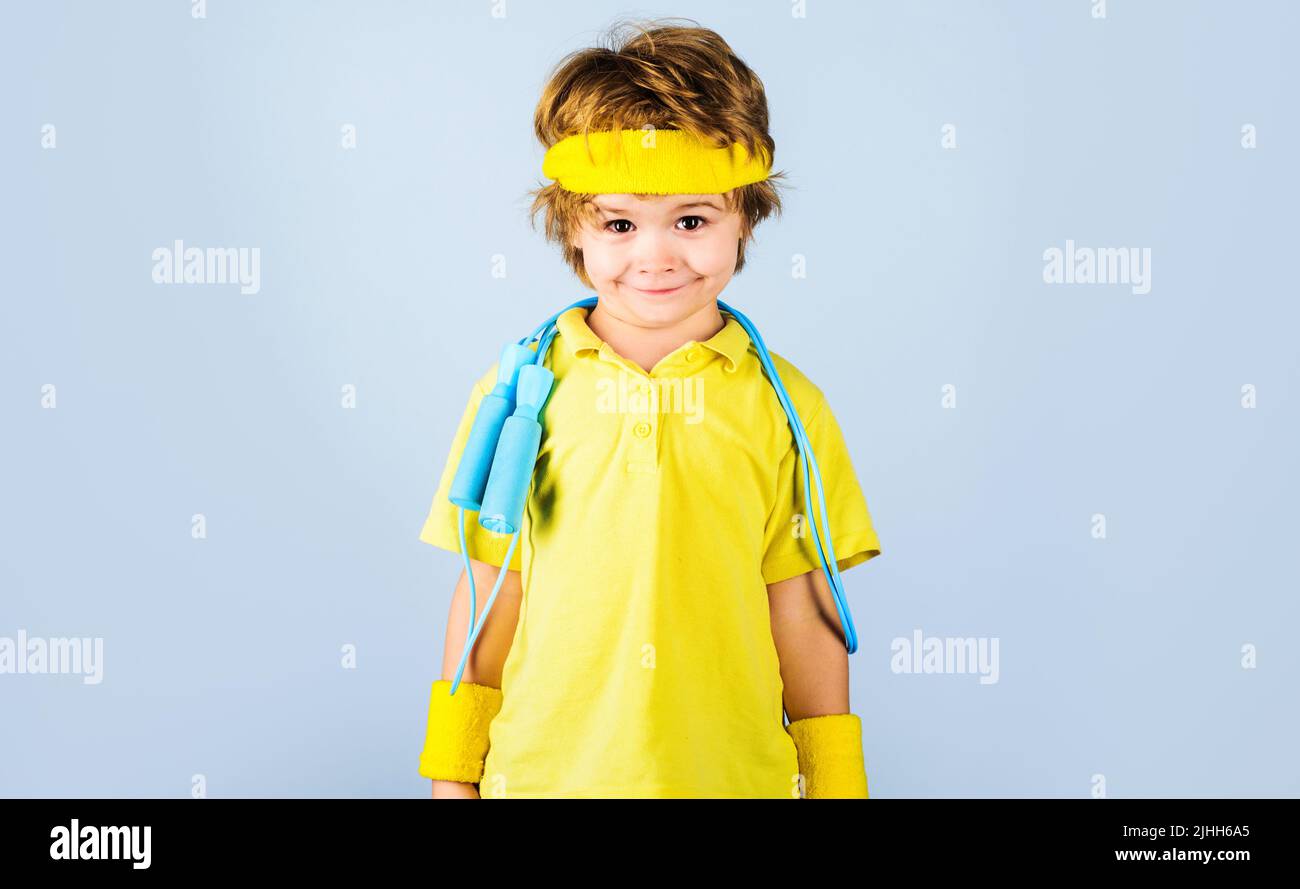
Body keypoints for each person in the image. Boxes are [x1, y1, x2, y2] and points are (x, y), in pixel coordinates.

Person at [416, 19, 883, 798]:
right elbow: (489, 589)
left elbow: (802, 616)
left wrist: (838, 784)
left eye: (692, 221)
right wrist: (451, 773)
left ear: (748, 216)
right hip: (540, 780)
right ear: (572, 223)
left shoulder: (787, 407)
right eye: (621, 223)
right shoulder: (518, 393)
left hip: (734, 780)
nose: (657, 256)